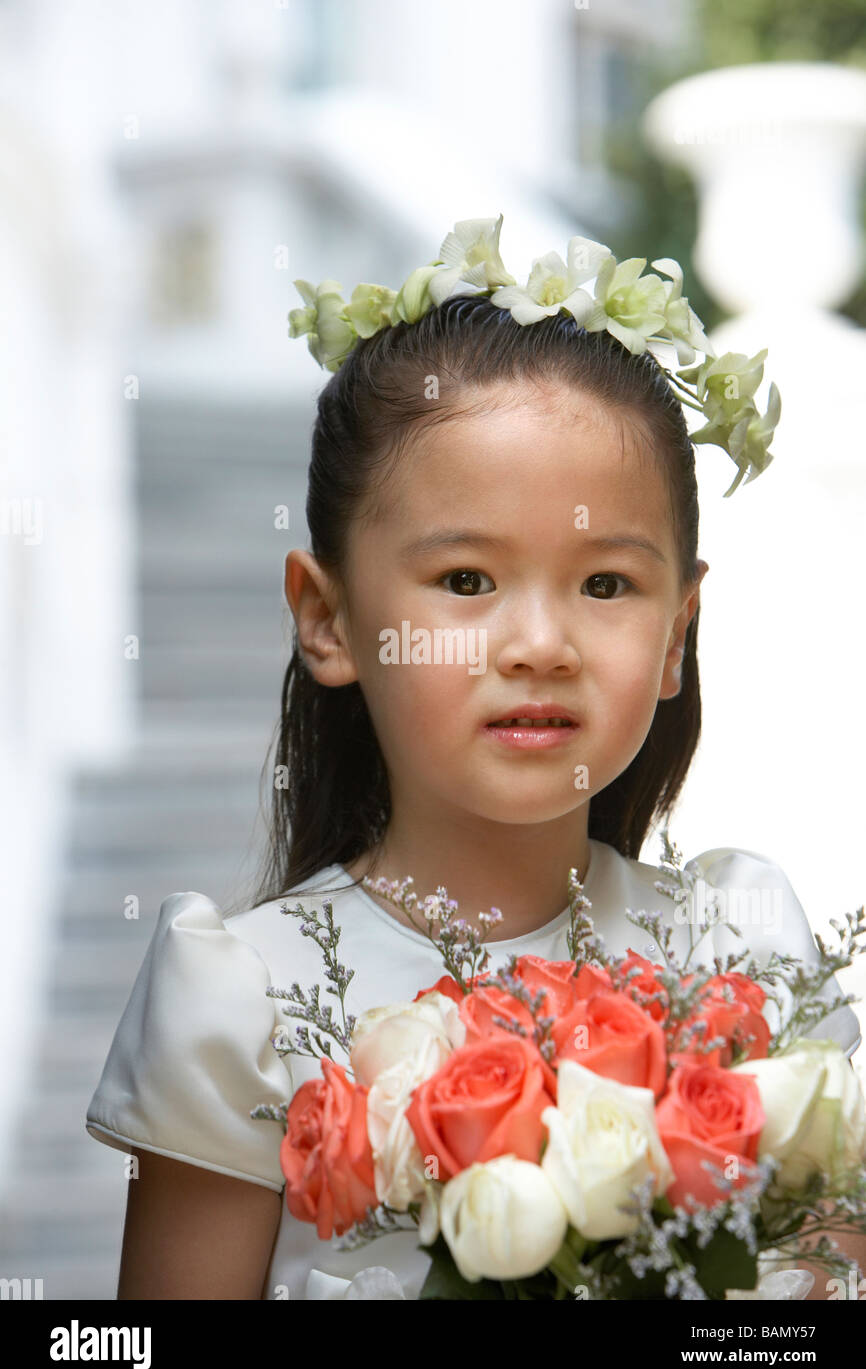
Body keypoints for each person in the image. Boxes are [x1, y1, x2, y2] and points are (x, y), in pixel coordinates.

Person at [85, 218, 862, 1301]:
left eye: (603, 586)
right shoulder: (242, 1001)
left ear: (676, 632)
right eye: (463, 581)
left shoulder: (746, 948)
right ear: (330, 618)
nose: (538, 645)